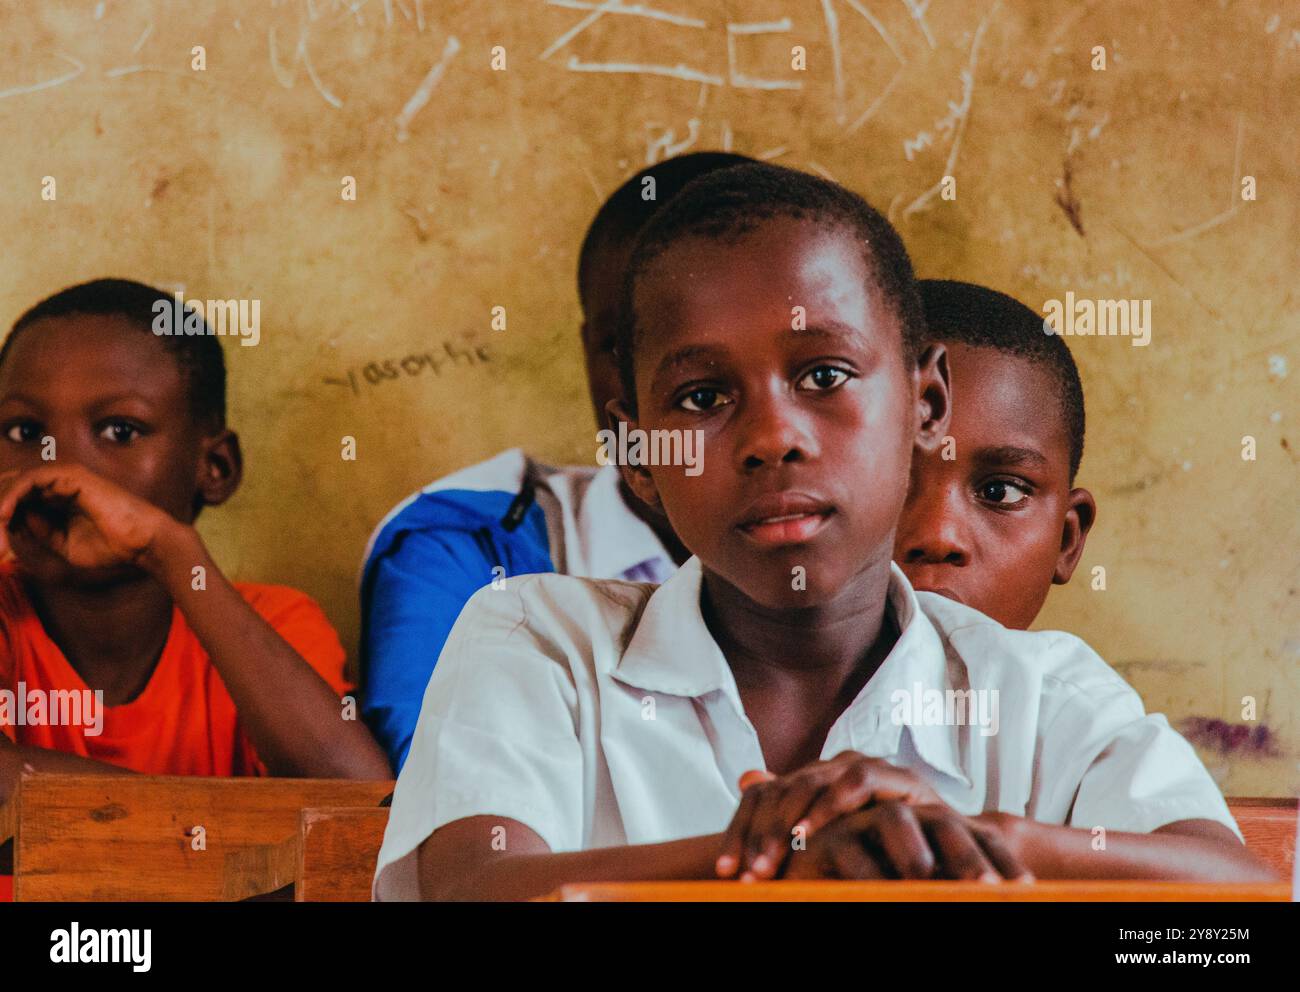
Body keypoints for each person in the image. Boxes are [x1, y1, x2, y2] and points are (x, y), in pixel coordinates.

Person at [373, 164, 1268, 900]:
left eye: (825, 374)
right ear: (634, 448)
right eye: (703, 398)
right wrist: (787, 858)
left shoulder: (1039, 695)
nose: (774, 437)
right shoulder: (540, 642)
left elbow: (1237, 898)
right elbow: (477, 889)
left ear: (924, 405)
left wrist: (956, 840)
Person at [361, 152, 754, 771]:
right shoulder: (475, 542)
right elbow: (445, 792)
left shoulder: (882, 533)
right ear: (585, 352)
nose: (643, 384)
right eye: (620, 345)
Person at [0, 278, 391, 799]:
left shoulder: (273, 624)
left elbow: (362, 806)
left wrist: (169, 550)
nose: (61, 468)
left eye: (120, 431)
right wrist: (214, 822)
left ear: (215, 467)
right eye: (24, 432)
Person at [894, 279, 1096, 628]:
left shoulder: (1083, 684)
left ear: (1066, 542)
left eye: (999, 492)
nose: (938, 536)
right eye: (890, 482)